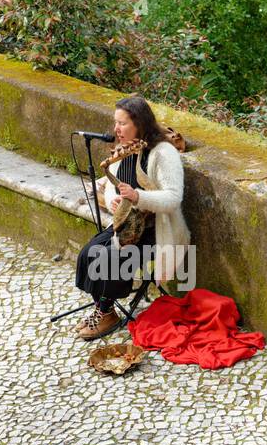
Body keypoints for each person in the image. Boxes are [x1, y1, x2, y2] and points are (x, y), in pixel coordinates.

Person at [72, 94, 190, 340]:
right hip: (128, 226)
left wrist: (138, 197)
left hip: (157, 230)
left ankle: (104, 312)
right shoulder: (123, 151)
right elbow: (118, 188)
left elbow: (173, 198)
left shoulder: (163, 153)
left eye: (122, 123)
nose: (116, 129)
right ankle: (104, 310)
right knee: (89, 252)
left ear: (140, 123)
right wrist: (116, 200)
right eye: (116, 122)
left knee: (110, 258)